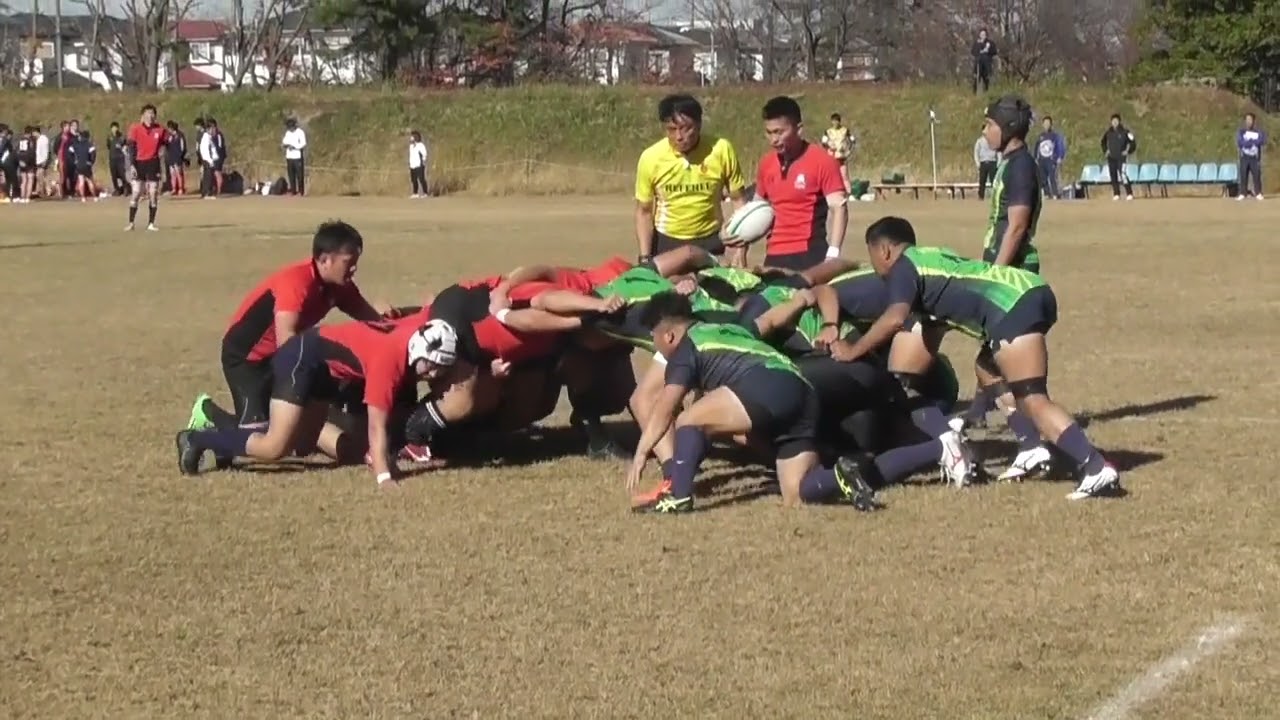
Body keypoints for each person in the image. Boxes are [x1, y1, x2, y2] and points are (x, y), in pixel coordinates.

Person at [829, 217, 1119, 500]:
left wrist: (853, 350)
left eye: (873, 257)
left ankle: (1094, 466)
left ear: (884, 251)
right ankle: (1032, 447)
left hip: (1012, 304)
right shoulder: (931, 257)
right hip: (1028, 289)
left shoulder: (902, 269)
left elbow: (895, 317)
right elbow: (937, 316)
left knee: (1032, 399)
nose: (878, 270)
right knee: (986, 369)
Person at [626, 292, 879, 513]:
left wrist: (641, 453)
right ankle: (838, 476)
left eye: (653, 337)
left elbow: (664, 409)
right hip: (804, 390)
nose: (654, 344)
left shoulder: (685, 350)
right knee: (797, 493)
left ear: (669, 335)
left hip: (767, 385)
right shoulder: (730, 330)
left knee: (689, 420)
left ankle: (678, 497)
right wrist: (799, 300)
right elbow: (768, 320)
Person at [177, 318, 451, 486]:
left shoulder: (417, 334)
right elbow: (376, 426)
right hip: (302, 357)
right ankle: (199, 438)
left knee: (304, 446)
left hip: (326, 370)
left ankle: (230, 437)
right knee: (275, 447)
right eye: (433, 365)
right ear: (419, 349)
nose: (433, 374)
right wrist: (384, 477)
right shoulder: (389, 363)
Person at [186, 221, 388, 433]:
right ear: (325, 259)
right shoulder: (296, 282)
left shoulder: (341, 288)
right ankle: (207, 412)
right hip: (246, 358)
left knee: (286, 428)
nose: (354, 268)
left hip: (277, 357)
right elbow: (287, 343)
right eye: (349, 262)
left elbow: (372, 322)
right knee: (257, 437)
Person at [958, 96, 1044, 435]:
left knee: (992, 358)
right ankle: (980, 412)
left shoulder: (1021, 166)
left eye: (990, 124)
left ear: (1007, 128)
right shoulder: (1011, 162)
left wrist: (997, 273)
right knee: (993, 351)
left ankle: (1026, 426)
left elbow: (1018, 225)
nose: (985, 130)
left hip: (1013, 270)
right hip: (1002, 263)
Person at [634, 94, 747, 265]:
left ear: (699, 124)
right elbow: (644, 212)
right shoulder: (651, 157)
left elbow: (738, 200)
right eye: (671, 129)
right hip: (667, 241)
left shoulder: (721, 149)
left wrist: (740, 247)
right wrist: (644, 257)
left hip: (711, 240)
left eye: (686, 128)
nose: (679, 136)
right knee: (672, 290)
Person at [751, 96, 849, 271]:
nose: (774, 139)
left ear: (799, 129)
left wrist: (833, 255)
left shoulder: (822, 161)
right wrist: (739, 243)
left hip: (810, 253)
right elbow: (756, 208)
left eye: (779, 132)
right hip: (774, 255)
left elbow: (839, 208)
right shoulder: (766, 164)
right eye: (769, 132)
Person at [125, 104, 167, 231]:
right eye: (148, 113)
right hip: (139, 163)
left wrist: (162, 152)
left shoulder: (160, 130)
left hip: (153, 163)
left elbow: (167, 143)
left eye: (152, 113)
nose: (151, 116)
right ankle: (131, 223)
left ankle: (151, 224)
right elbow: (131, 148)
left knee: (153, 193)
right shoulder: (135, 128)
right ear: (142, 116)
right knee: (136, 192)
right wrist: (132, 165)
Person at [1101, 114, 1136, 201]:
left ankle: (1129, 193)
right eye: (1113, 121)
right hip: (1111, 157)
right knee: (1113, 176)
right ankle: (1116, 193)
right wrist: (1106, 151)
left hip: (1121, 157)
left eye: (1116, 121)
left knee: (1123, 174)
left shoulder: (1125, 132)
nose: (1114, 123)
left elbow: (1132, 142)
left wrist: (1128, 151)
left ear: (1119, 121)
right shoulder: (1108, 132)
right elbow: (1103, 142)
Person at [820, 112, 854, 193]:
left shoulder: (845, 130)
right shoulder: (828, 131)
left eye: (837, 121)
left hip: (842, 156)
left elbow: (852, 140)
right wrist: (829, 147)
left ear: (839, 121)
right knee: (831, 175)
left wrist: (849, 151)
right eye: (834, 121)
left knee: (844, 176)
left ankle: (848, 193)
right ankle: (830, 191)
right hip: (831, 156)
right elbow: (823, 142)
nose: (835, 123)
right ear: (831, 121)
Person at [1035, 115, 1067, 199]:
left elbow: (1060, 146)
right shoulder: (1040, 136)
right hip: (1042, 159)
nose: (1046, 125)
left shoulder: (1054, 136)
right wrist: (1035, 158)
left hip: (1051, 159)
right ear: (1042, 125)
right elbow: (1036, 147)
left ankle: (1055, 193)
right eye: (1045, 123)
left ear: (1051, 124)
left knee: (1052, 177)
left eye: (1048, 123)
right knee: (1043, 177)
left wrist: (1060, 156)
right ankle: (1047, 193)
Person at [1237, 112, 1266, 200]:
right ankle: (1243, 193)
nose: (1249, 121)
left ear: (1254, 121)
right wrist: (1251, 142)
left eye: (1250, 120)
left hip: (1255, 157)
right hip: (1244, 157)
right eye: (1247, 120)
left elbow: (1261, 141)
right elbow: (1240, 142)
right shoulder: (1242, 132)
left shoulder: (1258, 132)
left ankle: (1258, 193)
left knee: (1256, 175)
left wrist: (1252, 142)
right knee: (1243, 175)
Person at [199, 117, 227, 198]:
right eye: (211, 129)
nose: (212, 130)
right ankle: (207, 192)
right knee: (208, 177)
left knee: (210, 176)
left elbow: (218, 147)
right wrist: (210, 160)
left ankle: (209, 192)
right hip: (209, 159)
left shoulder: (213, 136)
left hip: (213, 159)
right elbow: (205, 150)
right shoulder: (206, 137)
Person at [70, 129, 98, 201]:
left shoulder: (76, 144)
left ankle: (83, 198)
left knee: (81, 181)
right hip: (86, 164)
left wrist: (74, 161)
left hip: (79, 165)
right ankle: (94, 197)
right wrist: (91, 162)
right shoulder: (89, 144)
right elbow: (93, 154)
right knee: (90, 181)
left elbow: (70, 152)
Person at [282, 118, 307, 196]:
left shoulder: (300, 132)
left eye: (291, 127)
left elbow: (303, 143)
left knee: (299, 175)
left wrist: (295, 147)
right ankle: (293, 191)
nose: (290, 129)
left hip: (297, 156)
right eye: (289, 127)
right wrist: (286, 145)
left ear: (294, 126)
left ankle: (301, 191)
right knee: (291, 175)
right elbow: (284, 142)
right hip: (289, 156)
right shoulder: (288, 133)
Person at [164, 120, 188, 195]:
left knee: (179, 174)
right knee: (172, 174)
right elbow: (166, 145)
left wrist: (181, 156)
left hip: (178, 157)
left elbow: (183, 147)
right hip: (171, 157)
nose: (168, 130)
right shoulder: (169, 136)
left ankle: (181, 188)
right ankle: (174, 188)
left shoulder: (180, 135)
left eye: (169, 128)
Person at [974, 131, 999, 200]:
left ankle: (995, 196)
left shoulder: (994, 140)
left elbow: (998, 151)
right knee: (982, 181)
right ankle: (981, 196)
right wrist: (978, 163)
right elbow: (976, 152)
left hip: (993, 162)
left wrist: (998, 163)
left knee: (993, 181)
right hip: (983, 162)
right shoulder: (979, 141)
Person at [971, 29, 997, 94]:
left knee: (986, 79)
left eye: (984, 34)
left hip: (987, 65)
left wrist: (987, 51)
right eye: (981, 34)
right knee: (976, 79)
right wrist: (979, 48)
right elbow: (973, 52)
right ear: (979, 35)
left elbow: (994, 52)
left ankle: (987, 93)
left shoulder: (990, 43)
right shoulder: (977, 43)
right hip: (978, 64)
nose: (983, 36)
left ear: (986, 35)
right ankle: (974, 94)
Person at [106, 122, 128, 196]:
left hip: (120, 159)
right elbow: (109, 146)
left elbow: (125, 146)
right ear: (111, 129)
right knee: (114, 175)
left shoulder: (121, 137)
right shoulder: (109, 137)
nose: (114, 129)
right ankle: (117, 189)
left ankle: (125, 188)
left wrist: (122, 148)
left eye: (116, 127)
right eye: (113, 128)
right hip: (112, 159)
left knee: (122, 174)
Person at [15, 126, 36, 203]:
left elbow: (17, 152)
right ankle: (27, 197)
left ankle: (22, 197)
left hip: (21, 162)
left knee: (23, 180)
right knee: (30, 179)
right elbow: (31, 153)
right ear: (30, 133)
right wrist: (30, 162)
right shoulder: (30, 141)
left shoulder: (20, 141)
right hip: (29, 162)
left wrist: (20, 161)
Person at [408, 130, 428, 198]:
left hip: (419, 165)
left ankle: (425, 193)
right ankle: (415, 193)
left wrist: (423, 161)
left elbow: (424, 154)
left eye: (412, 136)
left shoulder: (420, 145)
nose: (410, 138)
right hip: (412, 165)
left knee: (421, 179)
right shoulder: (411, 146)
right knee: (413, 180)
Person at [34, 125, 49, 198]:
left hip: (42, 161)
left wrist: (45, 160)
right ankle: (41, 192)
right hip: (39, 161)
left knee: (41, 177)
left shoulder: (43, 139)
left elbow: (45, 150)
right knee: (40, 177)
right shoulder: (38, 139)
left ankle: (43, 193)